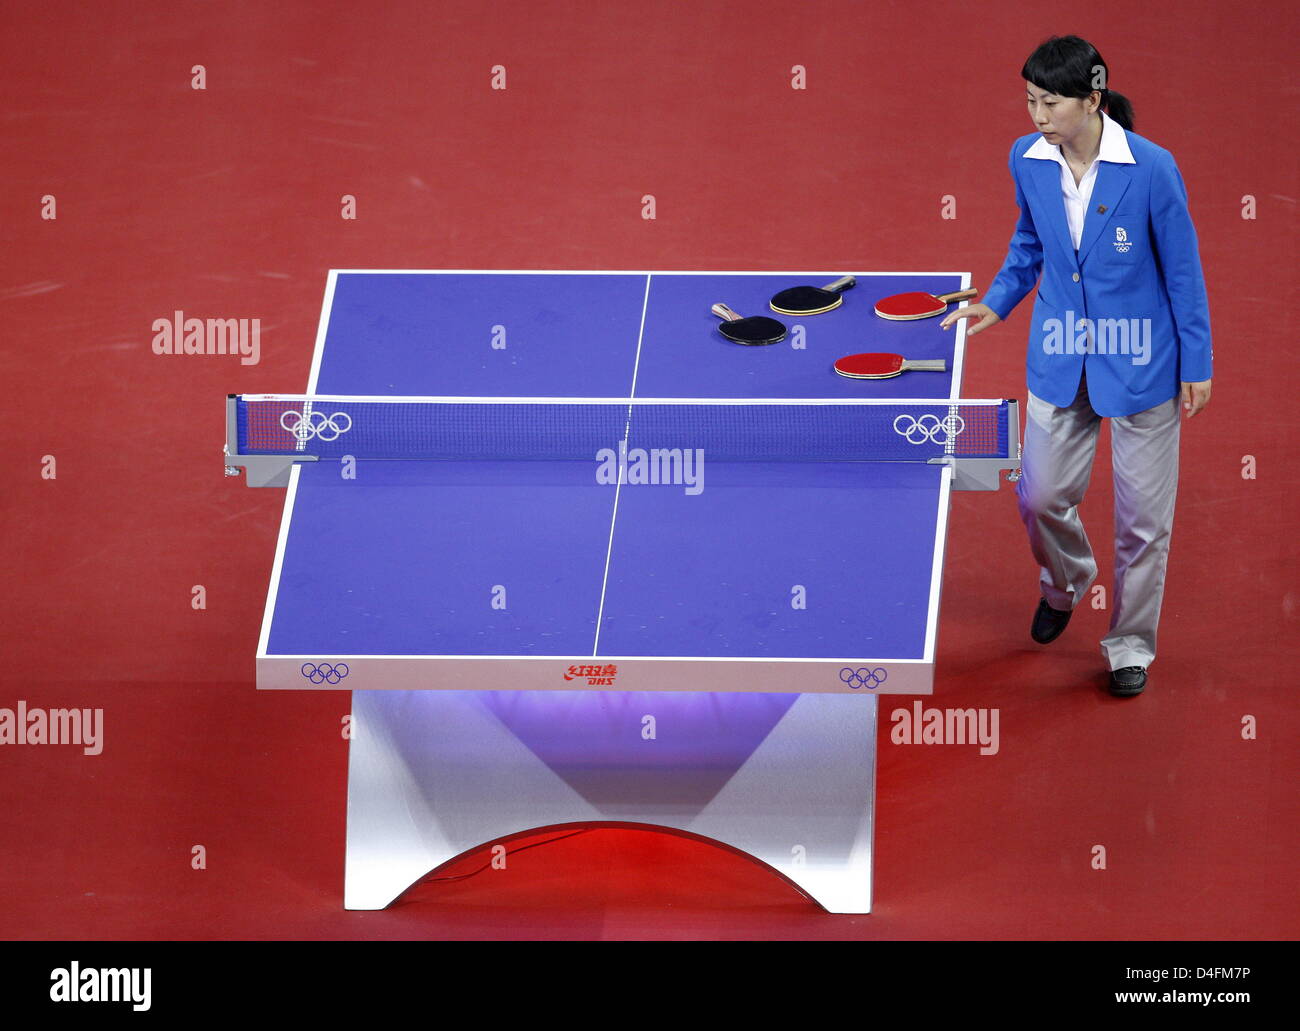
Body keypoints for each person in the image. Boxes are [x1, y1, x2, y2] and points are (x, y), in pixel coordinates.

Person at [943, 35, 1212, 697]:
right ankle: (1065, 581)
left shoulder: (1151, 169)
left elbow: (1183, 272)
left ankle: (1129, 647)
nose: (1037, 114)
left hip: (1143, 363)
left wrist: (1196, 361)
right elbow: (1029, 241)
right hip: (1060, 356)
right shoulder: (1028, 158)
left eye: (1051, 102)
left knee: (1144, 521)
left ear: (1092, 99)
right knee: (1038, 496)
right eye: (1031, 100)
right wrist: (999, 302)